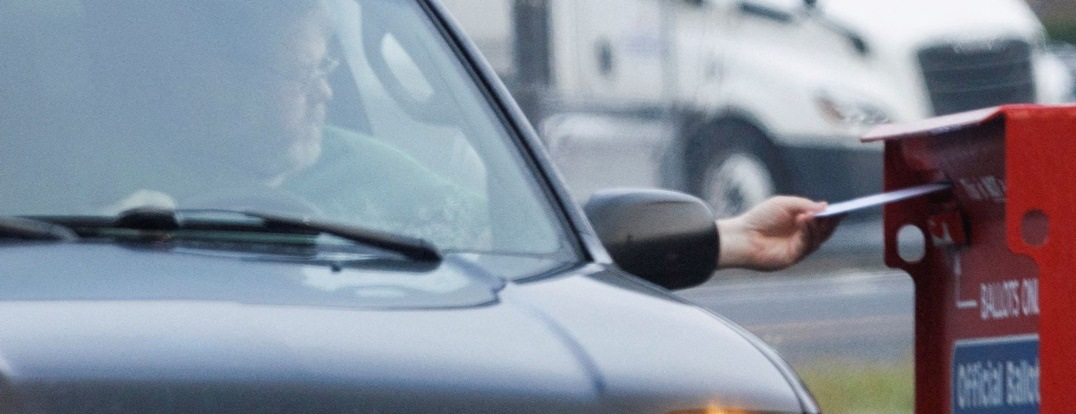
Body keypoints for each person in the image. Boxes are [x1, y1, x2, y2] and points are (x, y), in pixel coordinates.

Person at [103, 0, 836, 271]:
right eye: (298, 72)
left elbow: (538, 246)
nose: (325, 88)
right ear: (214, 81)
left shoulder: (380, 184)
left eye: (327, 63)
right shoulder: (86, 190)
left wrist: (730, 236)